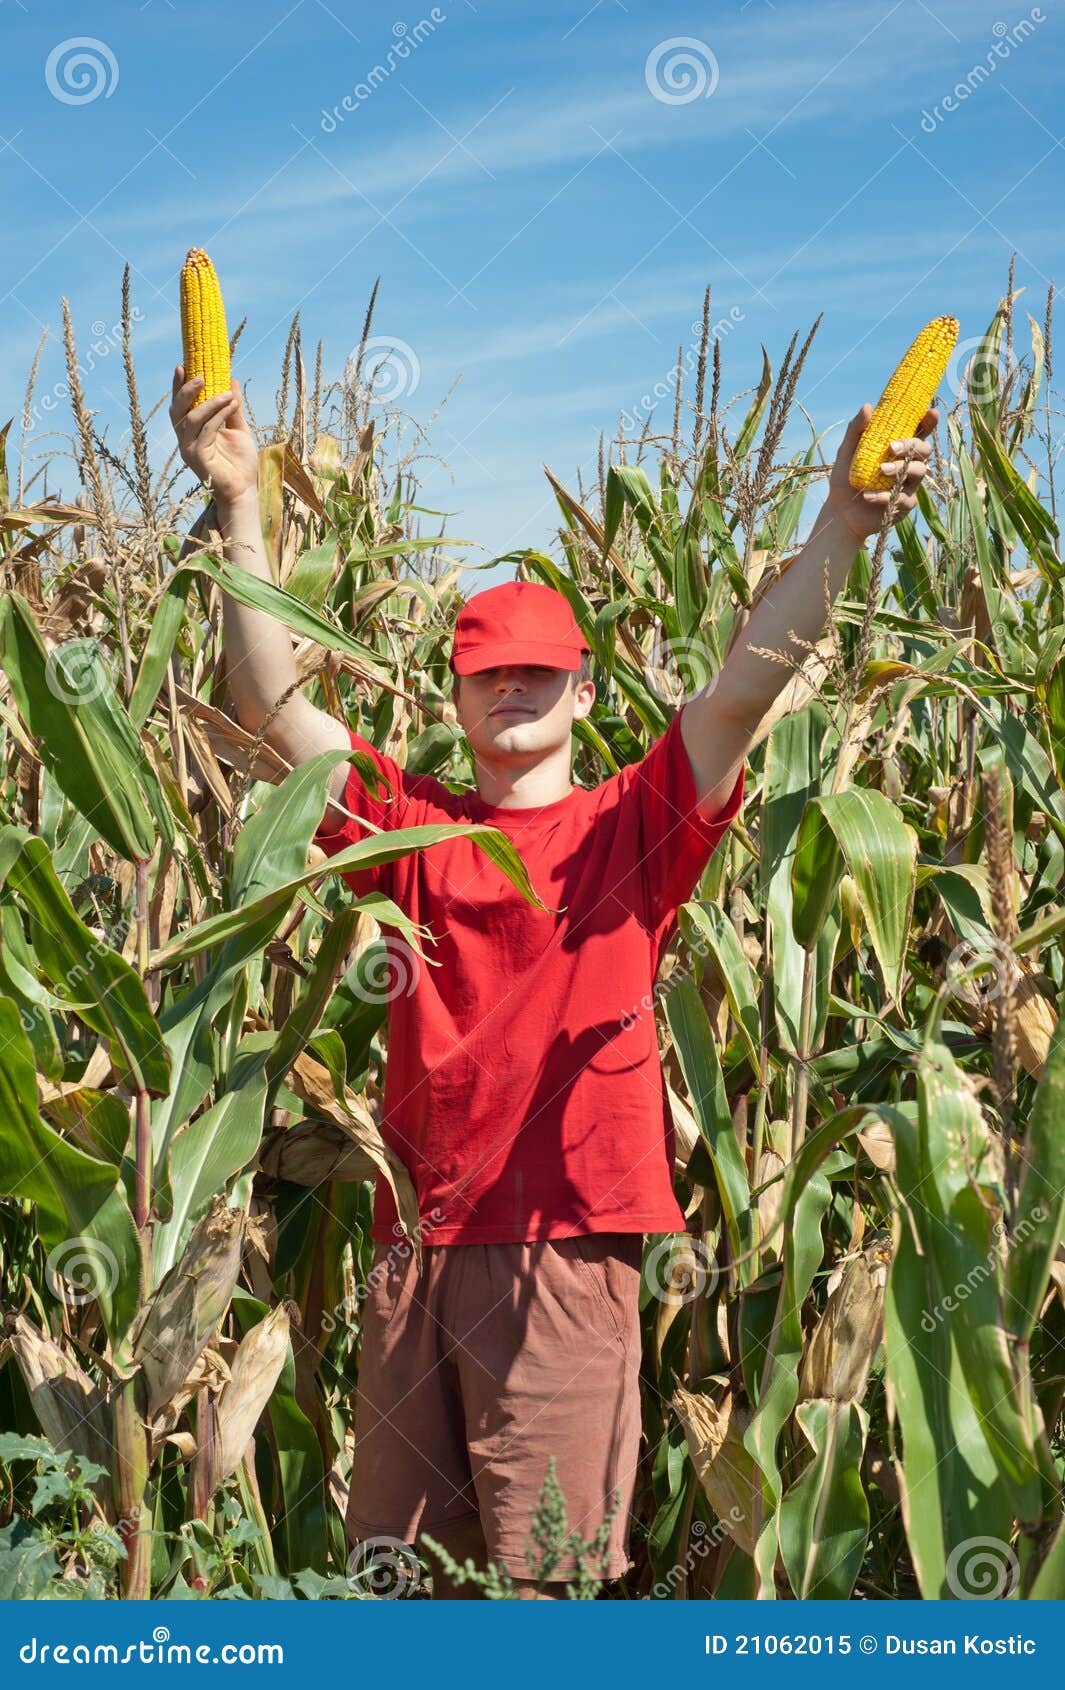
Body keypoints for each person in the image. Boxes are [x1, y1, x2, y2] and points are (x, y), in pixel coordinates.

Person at [169, 361, 933, 1598]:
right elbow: (268, 702)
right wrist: (243, 501)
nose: (513, 686)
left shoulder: (636, 825)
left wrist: (841, 526)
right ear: (458, 697)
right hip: (413, 1248)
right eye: (488, 672)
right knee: (397, 1585)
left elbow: (746, 683)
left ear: (584, 689)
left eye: (540, 672)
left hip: (563, 1254)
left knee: (546, 1588)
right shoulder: (410, 831)